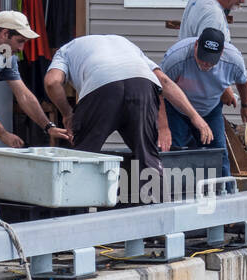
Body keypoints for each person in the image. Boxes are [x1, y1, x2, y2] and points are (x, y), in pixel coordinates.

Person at [45, 35, 213, 191]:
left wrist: (67, 114)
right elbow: (164, 81)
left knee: (82, 158)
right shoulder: (127, 45)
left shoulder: (65, 51)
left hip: (100, 88)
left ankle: (75, 214)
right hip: (141, 85)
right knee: (148, 158)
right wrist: (195, 117)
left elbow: (52, 82)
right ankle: (159, 215)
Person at [0, 10, 71, 195]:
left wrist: (48, 126)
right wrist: (2, 133)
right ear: (4, 34)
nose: (22, 48)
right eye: (20, 41)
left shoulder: (6, 56)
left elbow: (23, 94)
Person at [158, 28, 247, 179]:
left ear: (221, 54)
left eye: (211, 60)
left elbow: (243, 81)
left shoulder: (233, 59)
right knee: (174, 153)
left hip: (210, 109)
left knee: (218, 154)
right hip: (176, 110)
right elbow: (159, 90)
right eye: (202, 57)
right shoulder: (177, 58)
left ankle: (223, 196)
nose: (206, 63)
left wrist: (246, 106)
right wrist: (163, 127)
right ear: (196, 45)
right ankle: (174, 196)